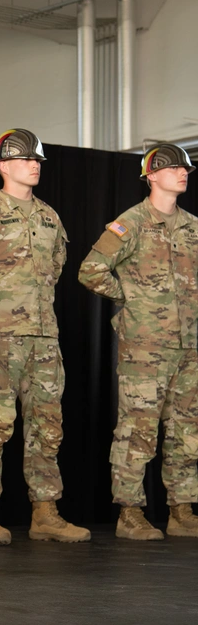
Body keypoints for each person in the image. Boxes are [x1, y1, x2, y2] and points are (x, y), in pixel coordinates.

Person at [0, 128, 89, 546]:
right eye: (26, 159)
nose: (34, 165)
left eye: (38, 160)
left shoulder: (49, 217)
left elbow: (56, 269)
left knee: (48, 425)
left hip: (44, 337)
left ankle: (45, 512)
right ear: (3, 165)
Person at [79, 143, 198, 541]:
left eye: (185, 167)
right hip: (146, 346)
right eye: (174, 168)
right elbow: (91, 270)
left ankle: (182, 511)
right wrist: (132, 298)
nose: (183, 172)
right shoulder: (130, 224)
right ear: (151, 176)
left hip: (189, 346)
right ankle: (130, 513)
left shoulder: (192, 227)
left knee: (187, 430)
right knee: (138, 429)